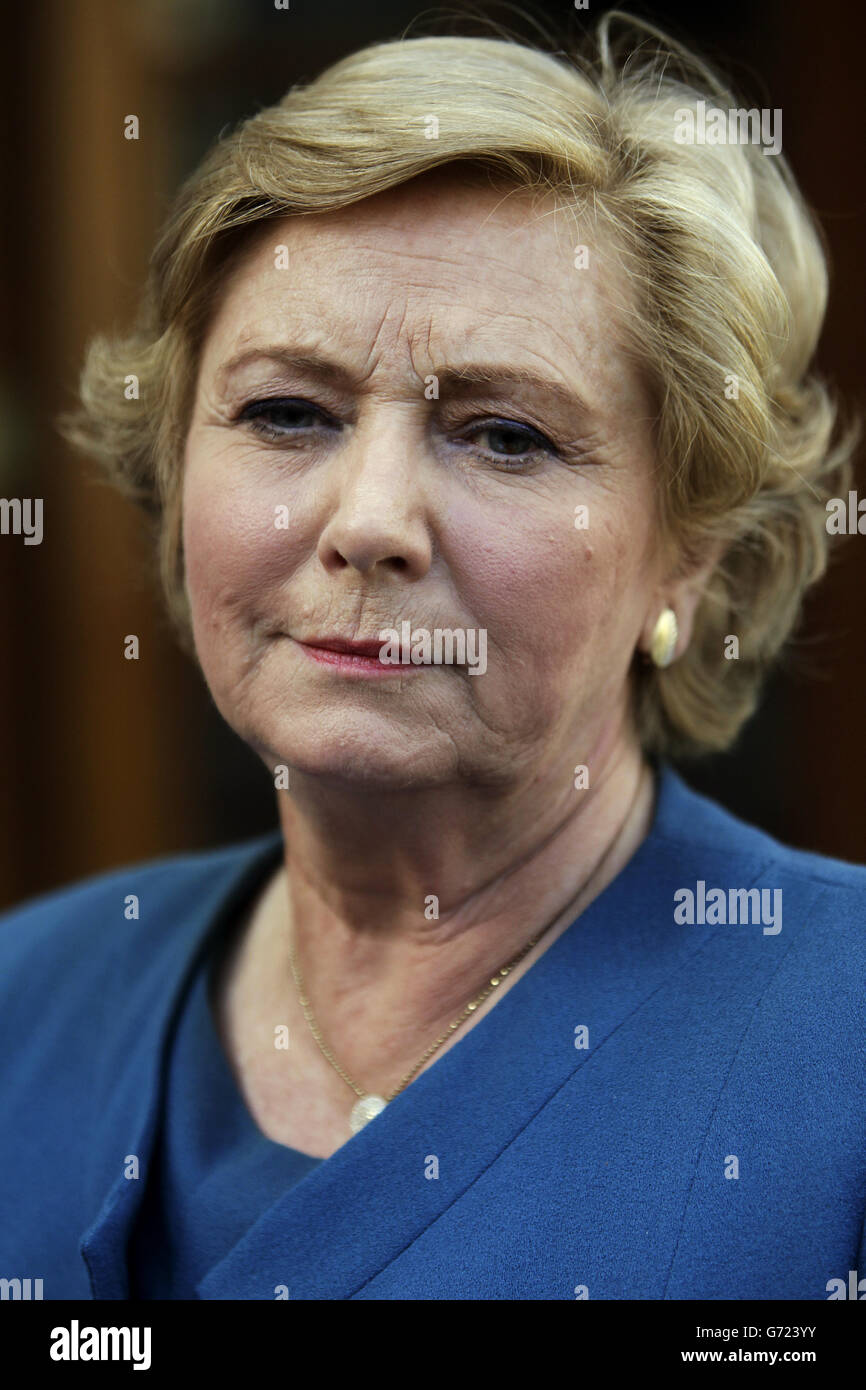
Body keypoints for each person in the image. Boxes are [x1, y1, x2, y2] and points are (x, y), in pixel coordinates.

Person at [1, 13, 864, 1301]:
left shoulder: (834, 1048)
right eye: (287, 414)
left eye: (505, 436)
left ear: (693, 555)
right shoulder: (26, 1001)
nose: (369, 523)